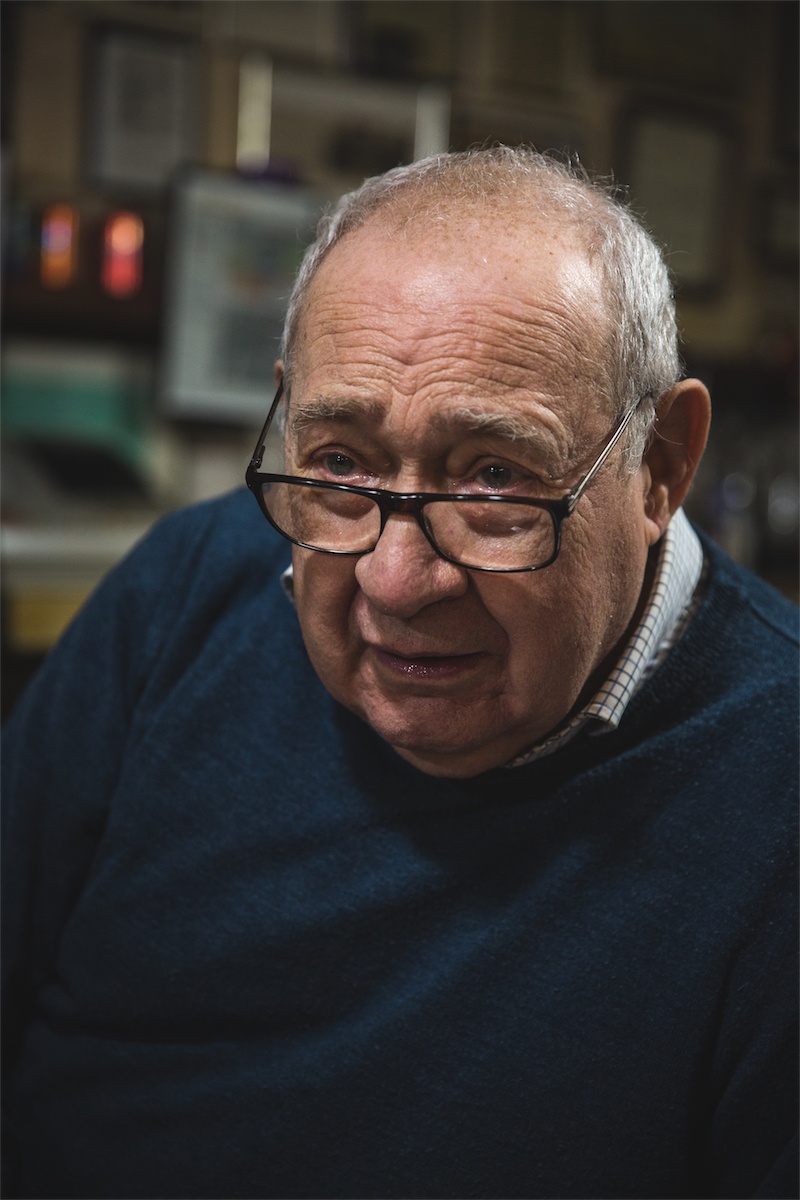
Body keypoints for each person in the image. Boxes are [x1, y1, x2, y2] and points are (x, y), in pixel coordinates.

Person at [2, 147, 797, 1200]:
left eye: (494, 477)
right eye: (338, 464)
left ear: (659, 466)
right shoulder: (184, 593)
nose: (395, 577)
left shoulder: (777, 791)